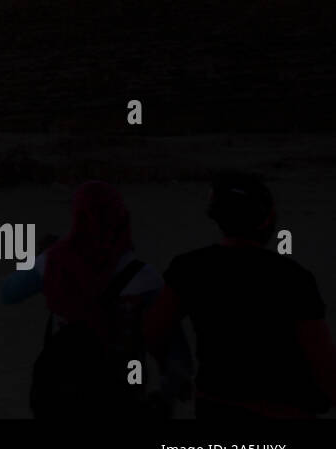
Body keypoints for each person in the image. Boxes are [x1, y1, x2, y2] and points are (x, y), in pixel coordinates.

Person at [144, 173, 336, 419]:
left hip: (215, 404)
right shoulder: (294, 278)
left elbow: (154, 332)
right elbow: (323, 364)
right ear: (266, 220)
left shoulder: (189, 268)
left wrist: (175, 371)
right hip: (282, 411)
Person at [3, 180, 190, 417]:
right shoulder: (144, 276)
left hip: (62, 388)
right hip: (124, 388)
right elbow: (170, 343)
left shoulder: (53, 262)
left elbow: (8, 293)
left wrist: (45, 258)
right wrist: (169, 392)